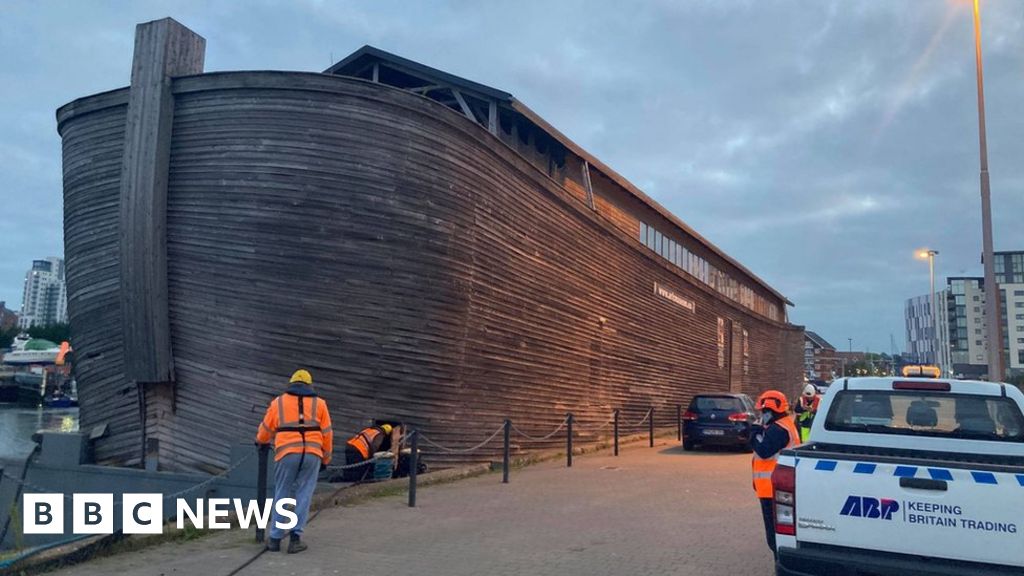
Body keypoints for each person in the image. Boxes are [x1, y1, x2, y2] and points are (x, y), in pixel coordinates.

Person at [255, 369, 333, 554]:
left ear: (290, 384)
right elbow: (327, 433)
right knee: (303, 495)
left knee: (282, 493)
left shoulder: (278, 402)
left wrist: (261, 441)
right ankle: (295, 539)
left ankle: (274, 539)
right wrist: (326, 458)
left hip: (286, 452)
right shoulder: (320, 404)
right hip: (312, 453)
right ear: (310, 385)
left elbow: (266, 430)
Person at [750, 389, 800, 555]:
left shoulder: (777, 430)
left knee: (774, 535)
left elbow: (764, 451)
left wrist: (754, 433)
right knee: (781, 530)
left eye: (764, 411)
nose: (762, 414)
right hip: (779, 486)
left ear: (772, 411)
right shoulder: (784, 424)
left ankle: (780, 563)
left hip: (772, 488)